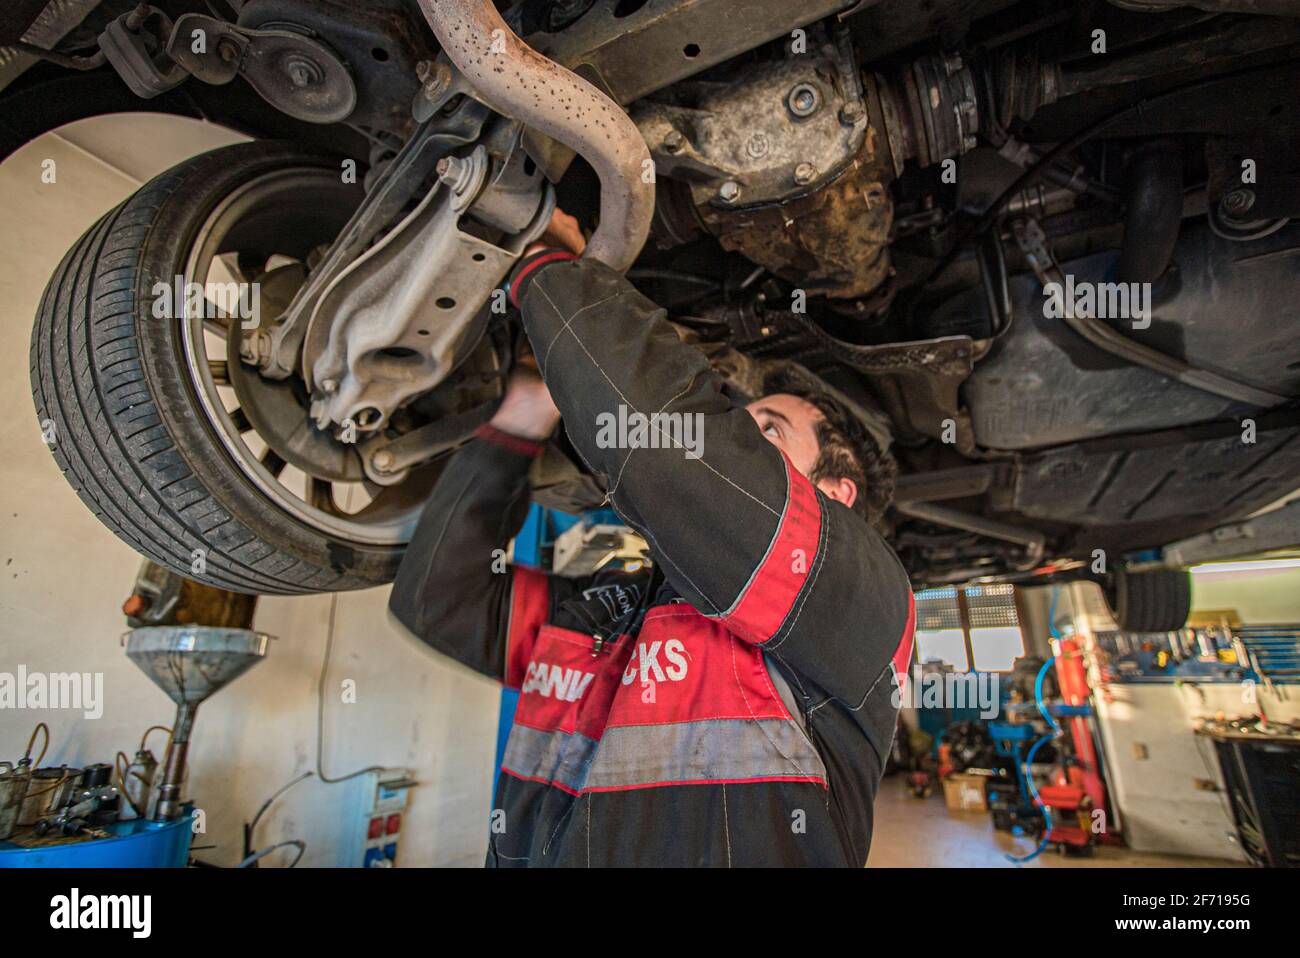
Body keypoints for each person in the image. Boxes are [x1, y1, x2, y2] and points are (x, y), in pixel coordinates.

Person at [389, 210, 915, 867]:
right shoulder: (606, 617)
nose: (731, 440)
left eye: (767, 432)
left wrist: (550, 268)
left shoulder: (860, 596)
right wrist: (524, 410)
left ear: (835, 497)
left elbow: (672, 457)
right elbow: (439, 599)